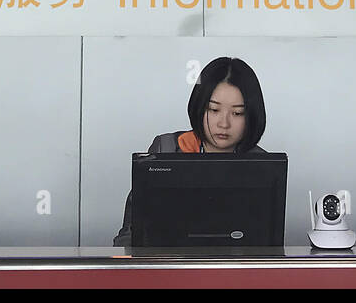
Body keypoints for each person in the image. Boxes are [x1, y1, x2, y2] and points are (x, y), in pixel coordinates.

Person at [113, 57, 267, 247]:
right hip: (168, 268)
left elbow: (268, 240)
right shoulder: (168, 148)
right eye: (214, 110)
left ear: (252, 115)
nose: (223, 123)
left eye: (237, 113)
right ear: (199, 107)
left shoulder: (263, 164)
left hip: (235, 271)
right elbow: (131, 232)